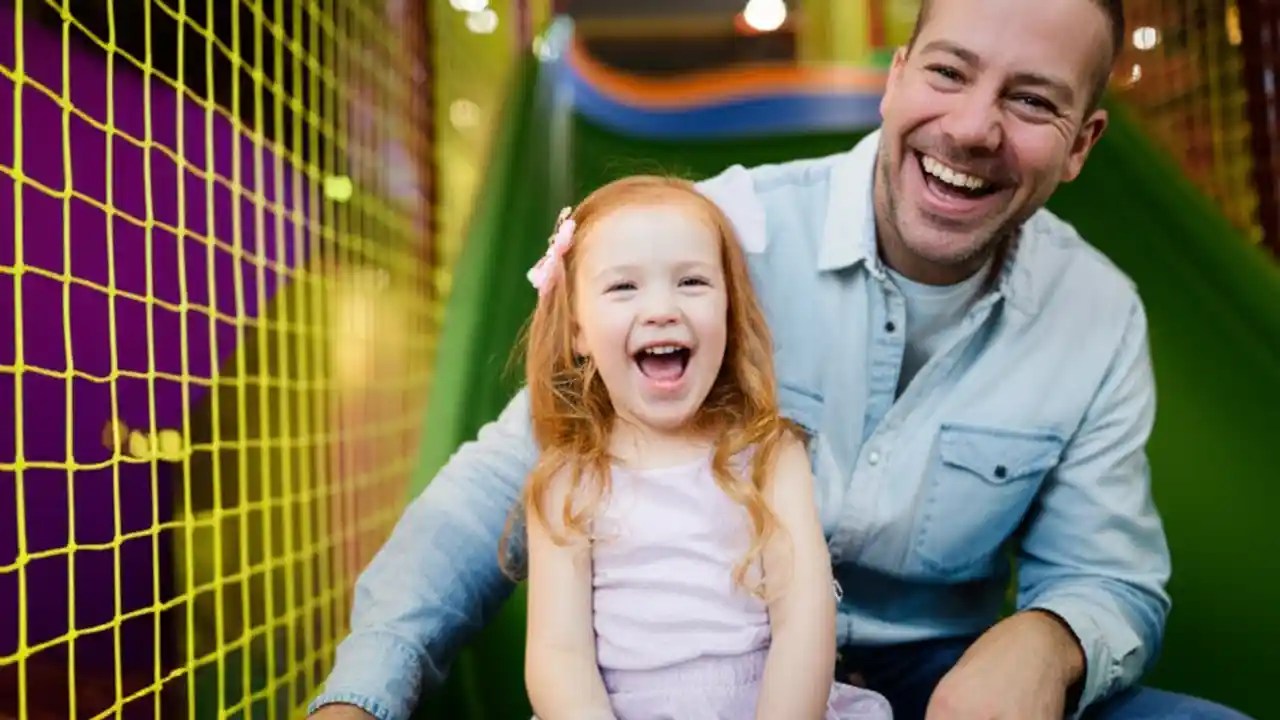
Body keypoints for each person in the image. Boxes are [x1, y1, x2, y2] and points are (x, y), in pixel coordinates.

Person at [308, 0, 1253, 718]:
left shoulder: (1101, 317)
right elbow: (508, 477)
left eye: (1032, 100)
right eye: (950, 73)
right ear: (895, 76)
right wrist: (363, 691)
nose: (971, 128)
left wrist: (1049, 643)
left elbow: (1110, 573)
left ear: (1083, 143)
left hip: (936, 682)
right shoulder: (709, 242)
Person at [510, 177, 893, 719]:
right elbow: (558, 654)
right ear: (578, 330)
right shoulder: (568, 484)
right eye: (624, 288)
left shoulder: (769, 456)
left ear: (730, 311)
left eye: (691, 281)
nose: (662, 309)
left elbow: (803, 620)